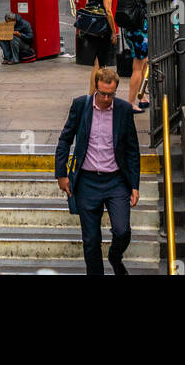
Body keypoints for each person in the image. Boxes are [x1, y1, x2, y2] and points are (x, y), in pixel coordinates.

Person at [55, 66, 140, 277]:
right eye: (102, 93)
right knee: (91, 240)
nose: (106, 98)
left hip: (116, 181)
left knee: (122, 231)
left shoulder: (123, 109)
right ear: (96, 88)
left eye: (111, 94)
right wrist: (62, 173)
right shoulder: (81, 105)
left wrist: (135, 185)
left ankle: (114, 256)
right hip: (87, 181)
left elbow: (132, 150)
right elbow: (65, 139)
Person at [117, 0, 159, 111]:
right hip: (142, 31)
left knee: (143, 63)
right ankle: (130, 102)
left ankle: (142, 97)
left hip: (129, 29)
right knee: (138, 66)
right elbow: (156, 8)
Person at [80, 0, 117, 98]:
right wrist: (113, 31)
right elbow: (108, 11)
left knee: (96, 64)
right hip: (102, 30)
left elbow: (86, 6)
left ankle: (92, 93)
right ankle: (97, 93)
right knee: (101, 64)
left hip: (92, 30)